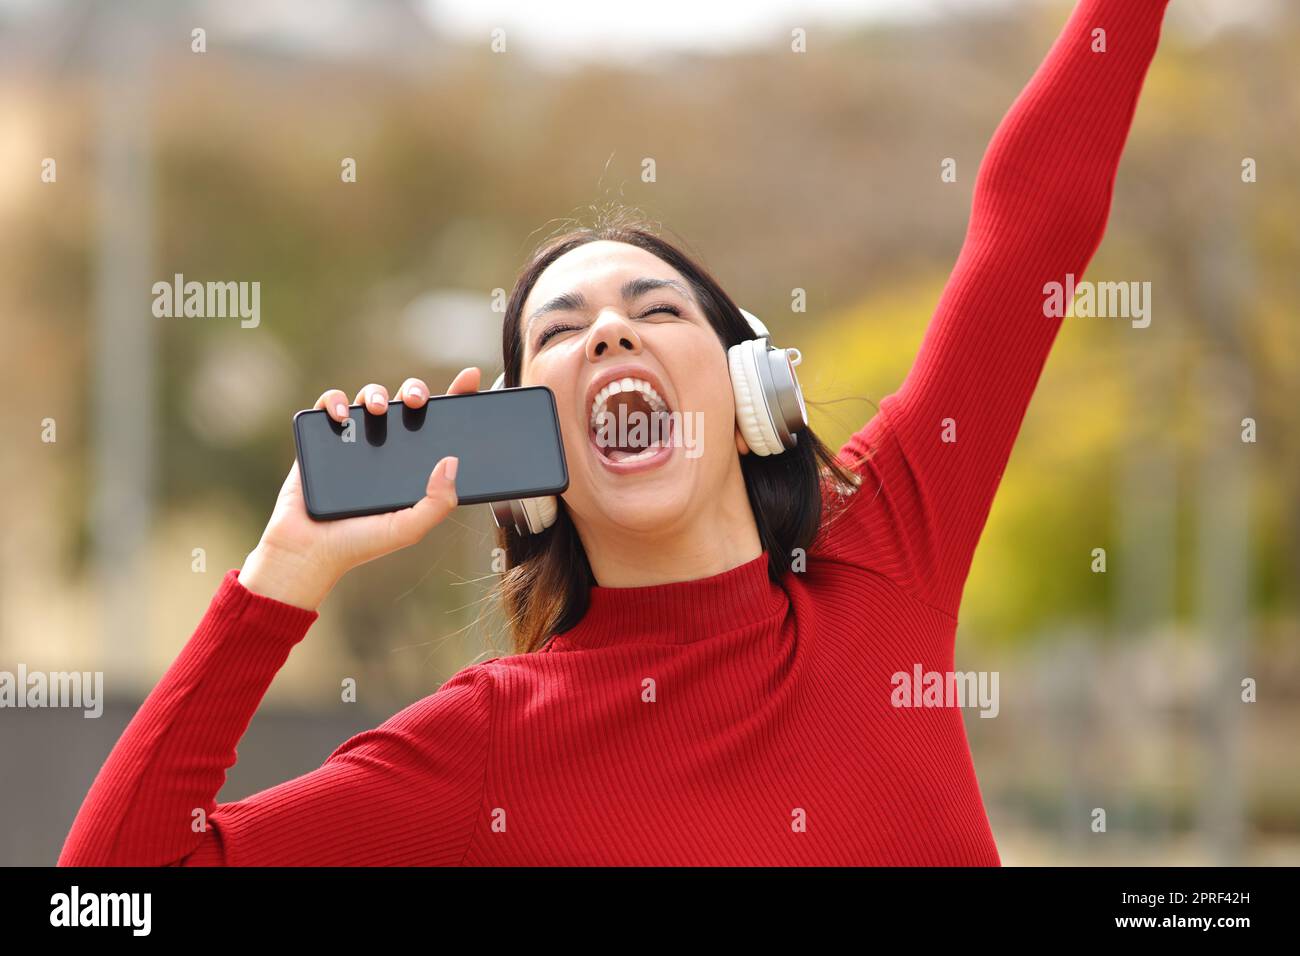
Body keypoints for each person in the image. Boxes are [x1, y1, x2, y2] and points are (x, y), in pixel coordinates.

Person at [59, 0, 1171, 866]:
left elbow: (1032, 220)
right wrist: (280, 575)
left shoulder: (888, 550)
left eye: (653, 311)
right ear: (528, 463)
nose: (605, 337)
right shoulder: (489, 742)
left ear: (750, 396)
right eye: (560, 332)